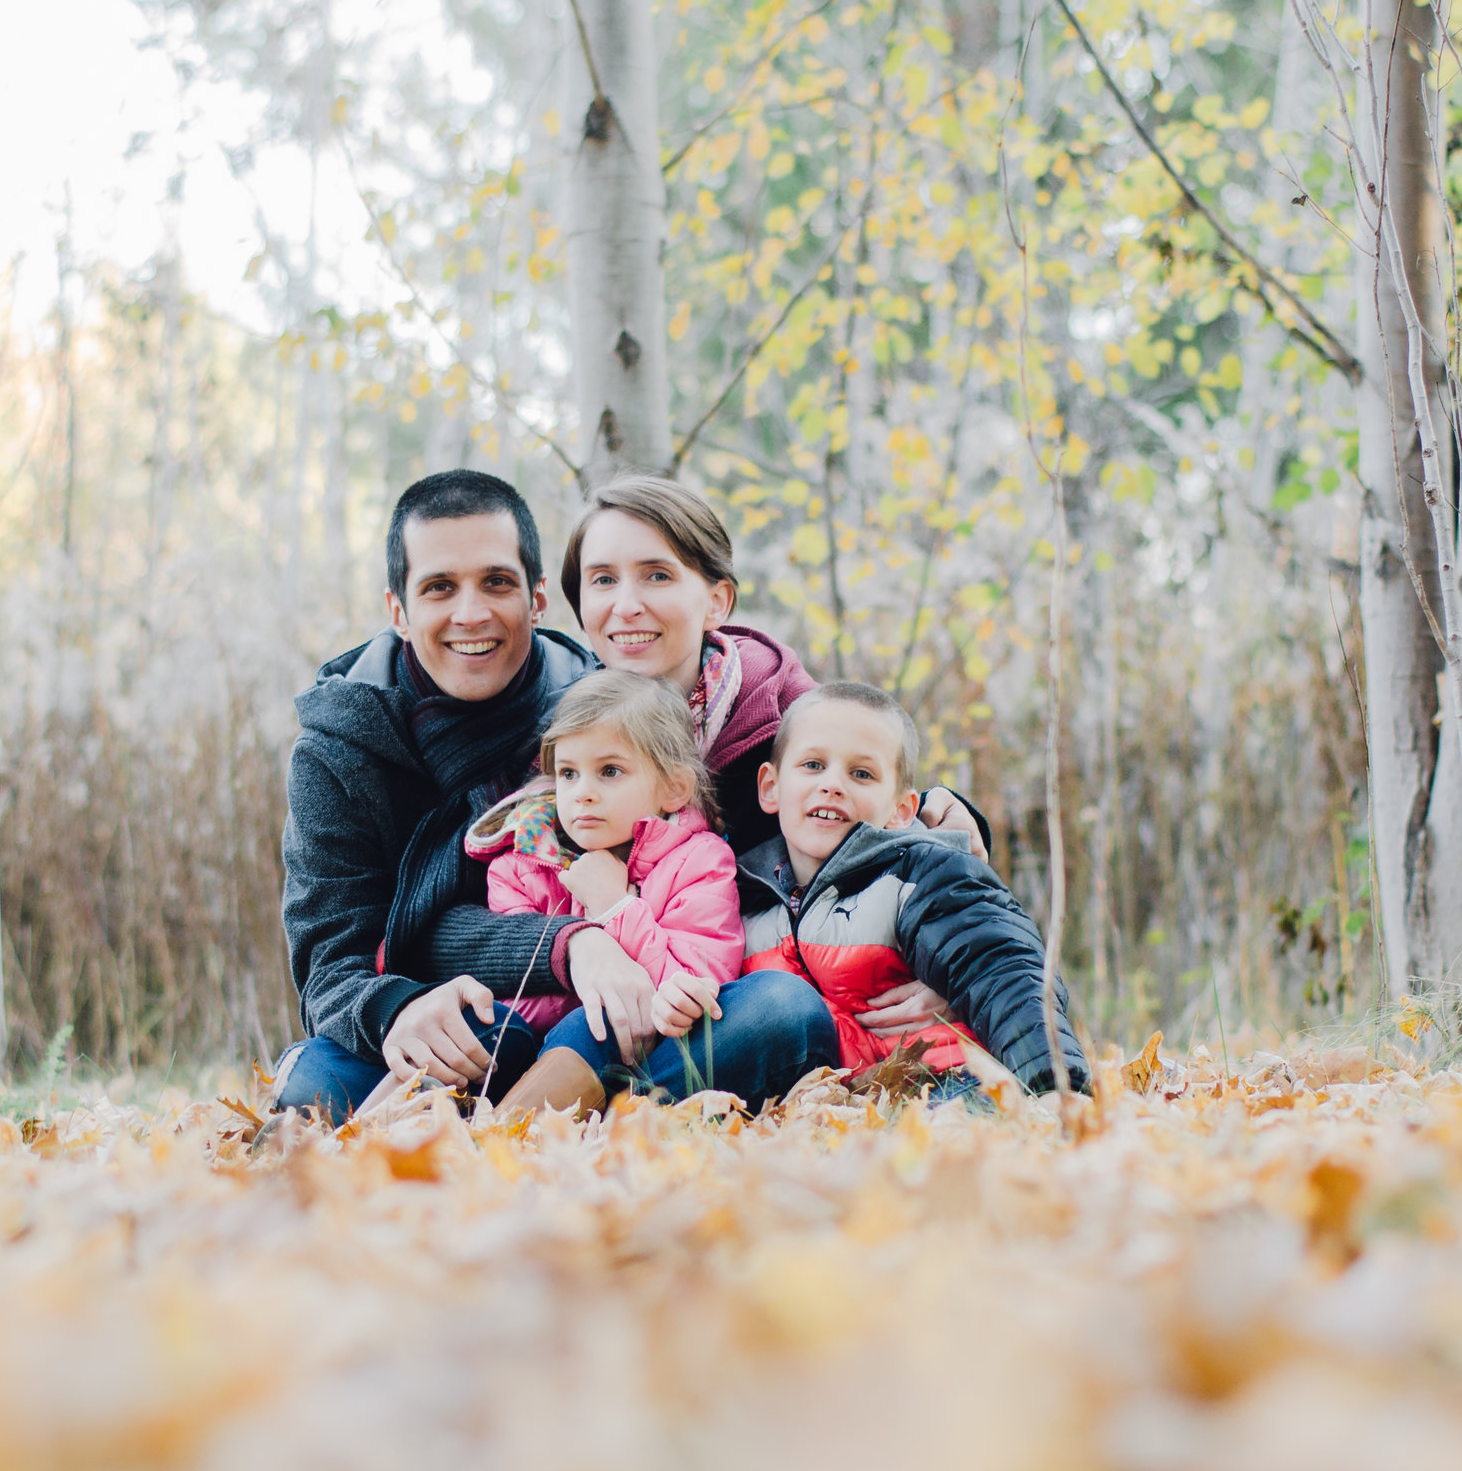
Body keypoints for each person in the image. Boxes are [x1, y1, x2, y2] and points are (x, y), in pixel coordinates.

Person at [273, 470, 833, 1121]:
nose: (471, 614)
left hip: (621, 1014)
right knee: (323, 1078)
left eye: (496, 583)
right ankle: (532, 1116)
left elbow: (844, 765)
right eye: (438, 588)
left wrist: (940, 813)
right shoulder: (340, 748)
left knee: (777, 1013)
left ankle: (527, 1124)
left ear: (538, 600)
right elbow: (333, 962)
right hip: (465, 1017)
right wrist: (396, 1009)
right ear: (398, 611)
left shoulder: (595, 706)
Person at [549, 473, 990, 1053]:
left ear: (716, 601)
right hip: (606, 1002)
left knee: (777, 1005)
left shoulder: (785, 715)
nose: (626, 606)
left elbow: (877, 800)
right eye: (603, 580)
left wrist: (951, 966)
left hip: (742, 1001)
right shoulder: (565, 730)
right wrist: (579, 938)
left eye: (657, 575)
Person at [737, 681, 1089, 1094]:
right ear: (770, 787)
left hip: (949, 1078)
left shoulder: (920, 876)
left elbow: (1006, 969)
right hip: (846, 1105)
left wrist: (1054, 1084)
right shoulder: (747, 899)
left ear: (902, 810)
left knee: (957, 1135)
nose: (832, 784)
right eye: (813, 765)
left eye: (861, 773)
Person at [465, 672, 744, 1115]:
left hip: (647, 1053)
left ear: (674, 788)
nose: (583, 795)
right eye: (569, 774)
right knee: (483, 1022)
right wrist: (581, 966)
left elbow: (697, 982)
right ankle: (408, 1138)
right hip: (532, 1052)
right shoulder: (520, 866)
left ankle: (510, 1136)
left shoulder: (699, 861)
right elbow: (515, 995)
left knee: (597, 1023)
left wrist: (616, 907)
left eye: (610, 771)